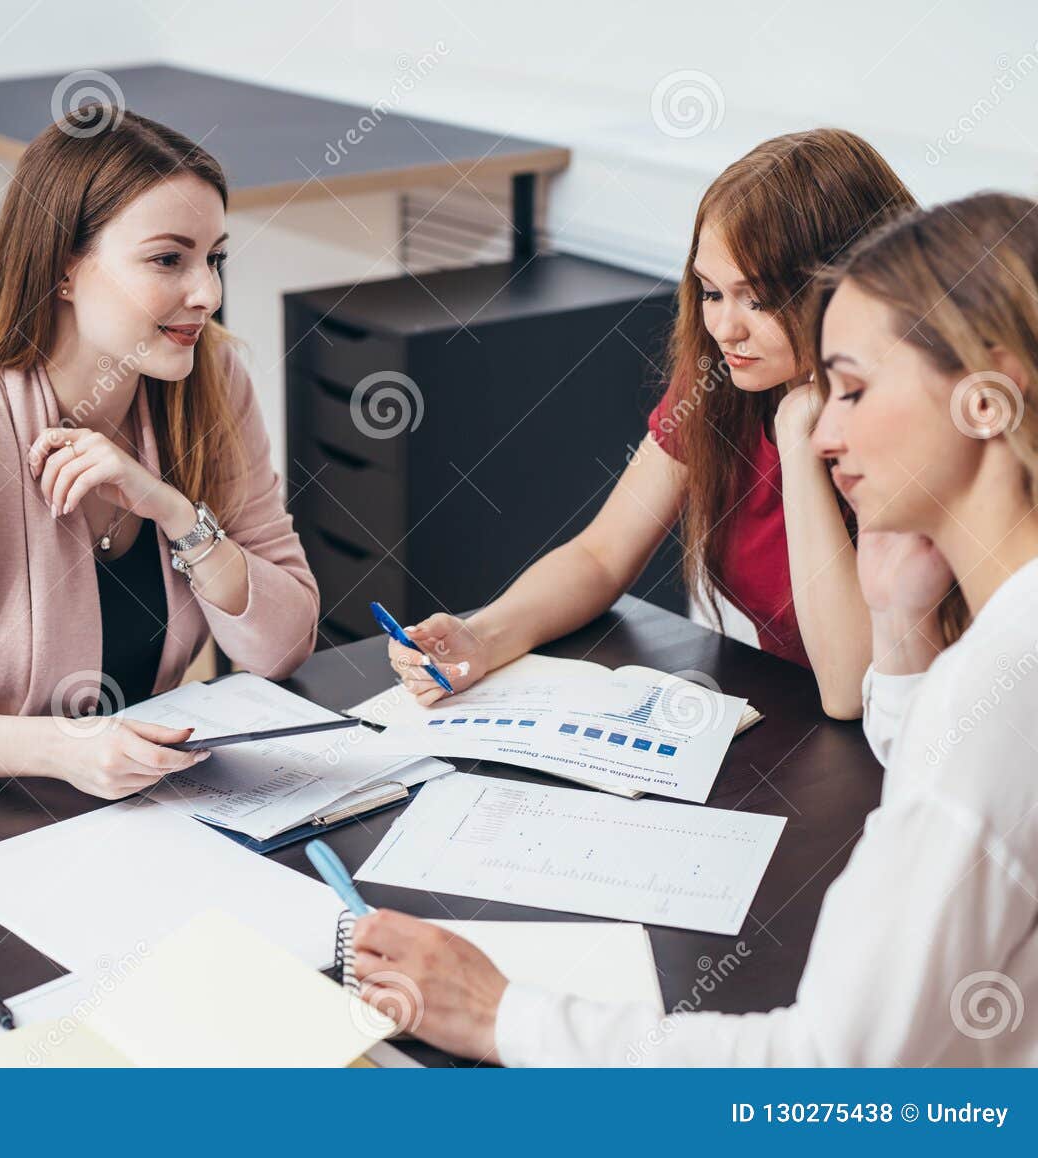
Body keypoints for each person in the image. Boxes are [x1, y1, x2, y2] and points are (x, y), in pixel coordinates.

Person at [351, 192, 1038, 1065]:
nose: (825, 426)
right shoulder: (991, 677)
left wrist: (500, 1016)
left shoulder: (996, 690)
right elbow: (943, 773)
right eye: (710, 294)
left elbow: (829, 1075)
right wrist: (901, 614)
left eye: (855, 388)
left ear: (991, 397)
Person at [0, 106, 319, 796]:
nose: (209, 293)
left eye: (214, 257)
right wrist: (64, 748)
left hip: (149, 802)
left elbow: (284, 645)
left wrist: (172, 511)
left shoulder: (214, 384)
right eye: (169, 259)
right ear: (64, 270)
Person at [388, 129, 941, 719]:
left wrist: (800, 433)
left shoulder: (910, 424)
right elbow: (602, 555)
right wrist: (484, 637)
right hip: (798, 722)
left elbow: (850, 691)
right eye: (710, 293)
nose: (726, 329)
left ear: (846, 288)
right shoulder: (726, 379)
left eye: (756, 300)